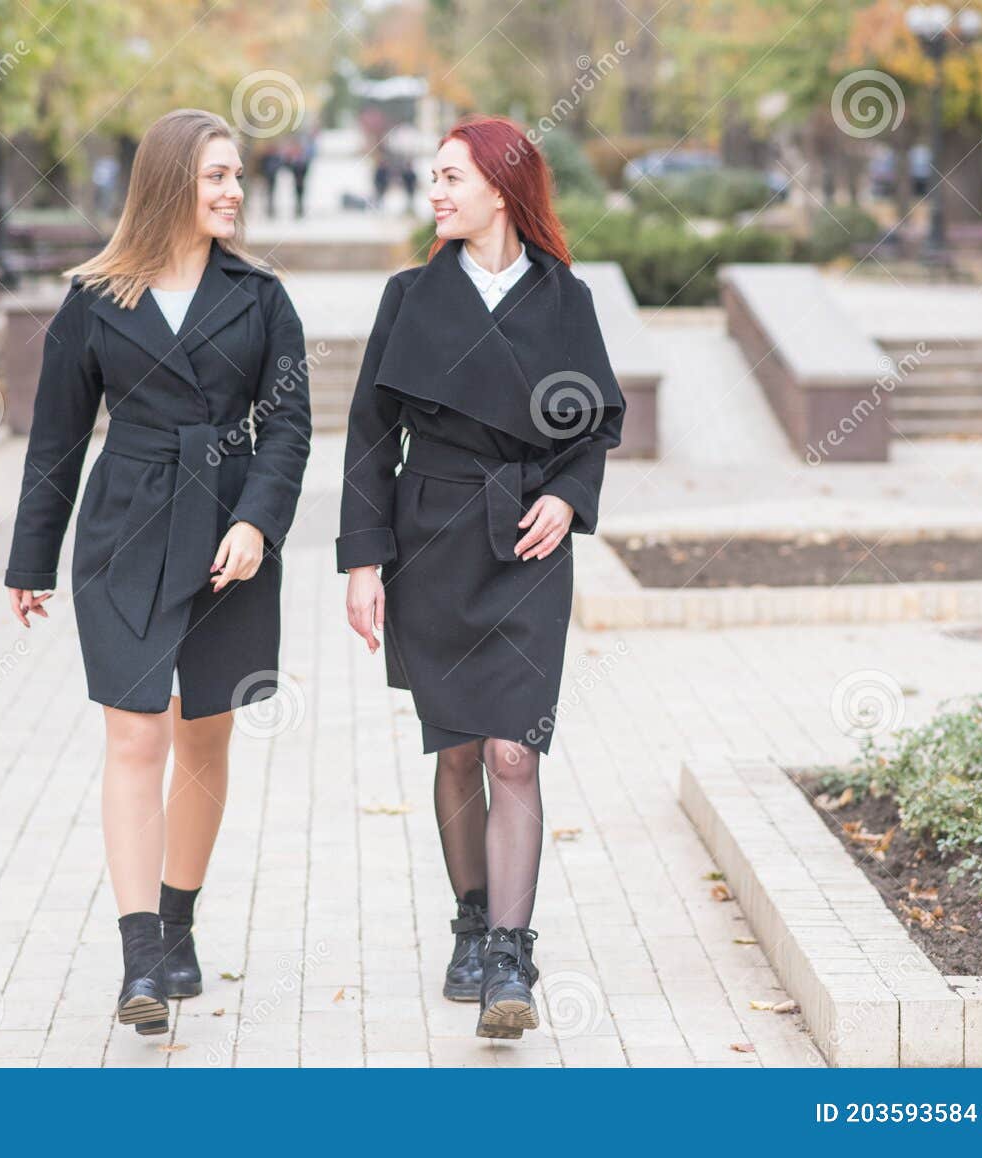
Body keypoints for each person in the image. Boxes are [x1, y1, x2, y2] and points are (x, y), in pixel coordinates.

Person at [4, 108, 312, 1037]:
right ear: (171, 181)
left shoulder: (261, 296)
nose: (232, 192)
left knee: (204, 742)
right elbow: (55, 442)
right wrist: (31, 560)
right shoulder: (94, 299)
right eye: (216, 175)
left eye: (237, 178)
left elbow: (289, 427)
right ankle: (141, 957)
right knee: (135, 739)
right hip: (125, 531)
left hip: (229, 537)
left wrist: (259, 521)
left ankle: (179, 923)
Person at [337, 115, 624, 1039]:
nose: (437, 193)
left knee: (514, 750)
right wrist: (362, 560)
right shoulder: (409, 295)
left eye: (451, 177)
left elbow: (595, 422)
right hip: (432, 536)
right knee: (457, 745)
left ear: (501, 187)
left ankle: (510, 952)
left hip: (528, 543)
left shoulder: (564, 299)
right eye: (434, 179)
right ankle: (468, 925)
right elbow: (370, 437)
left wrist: (571, 498)